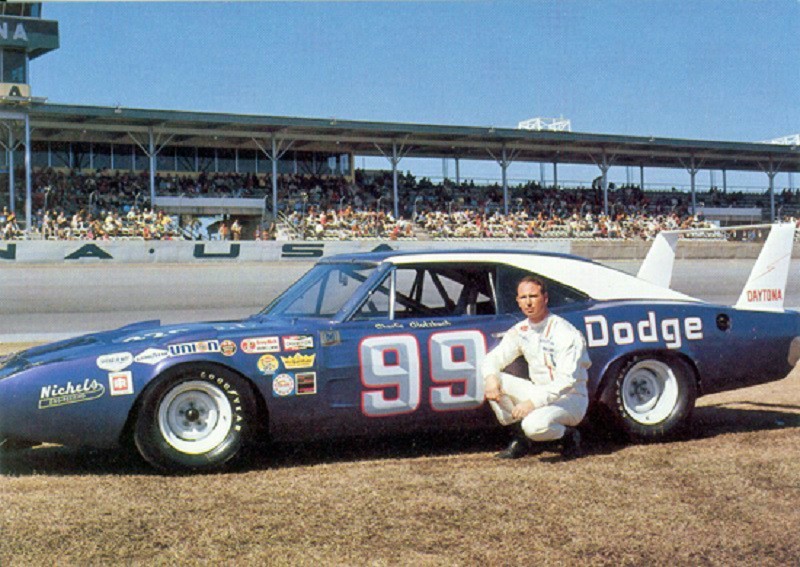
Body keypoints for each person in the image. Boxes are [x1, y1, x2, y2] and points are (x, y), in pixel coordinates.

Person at [482, 275, 591, 460]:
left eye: (533, 296)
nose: (529, 303)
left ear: (545, 298)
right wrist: (491, 380)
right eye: (523, 298)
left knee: (534, 426)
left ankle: (569, 436)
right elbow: (494, 357)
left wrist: (531, 404)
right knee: (491, 378)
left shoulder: (565, 332)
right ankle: (521, 439)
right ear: (517, 301)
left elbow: (566, 380)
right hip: (540, 393)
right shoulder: (521, 330)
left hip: (569, 398)